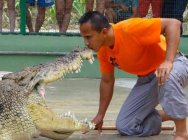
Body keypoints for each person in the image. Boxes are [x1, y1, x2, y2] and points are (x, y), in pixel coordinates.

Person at [79, 11, 188, 140]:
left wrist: (168, 61)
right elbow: (107, 81)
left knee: (166, 76)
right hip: (147, 79)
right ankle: (171, 113)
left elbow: (174, 24)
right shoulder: (103, 49)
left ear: (103, 32)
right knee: (126, 126)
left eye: (88, 37)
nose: (86, 42)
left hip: (175, 63)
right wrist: (100, 115)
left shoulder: (129, 28)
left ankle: (182, 133)